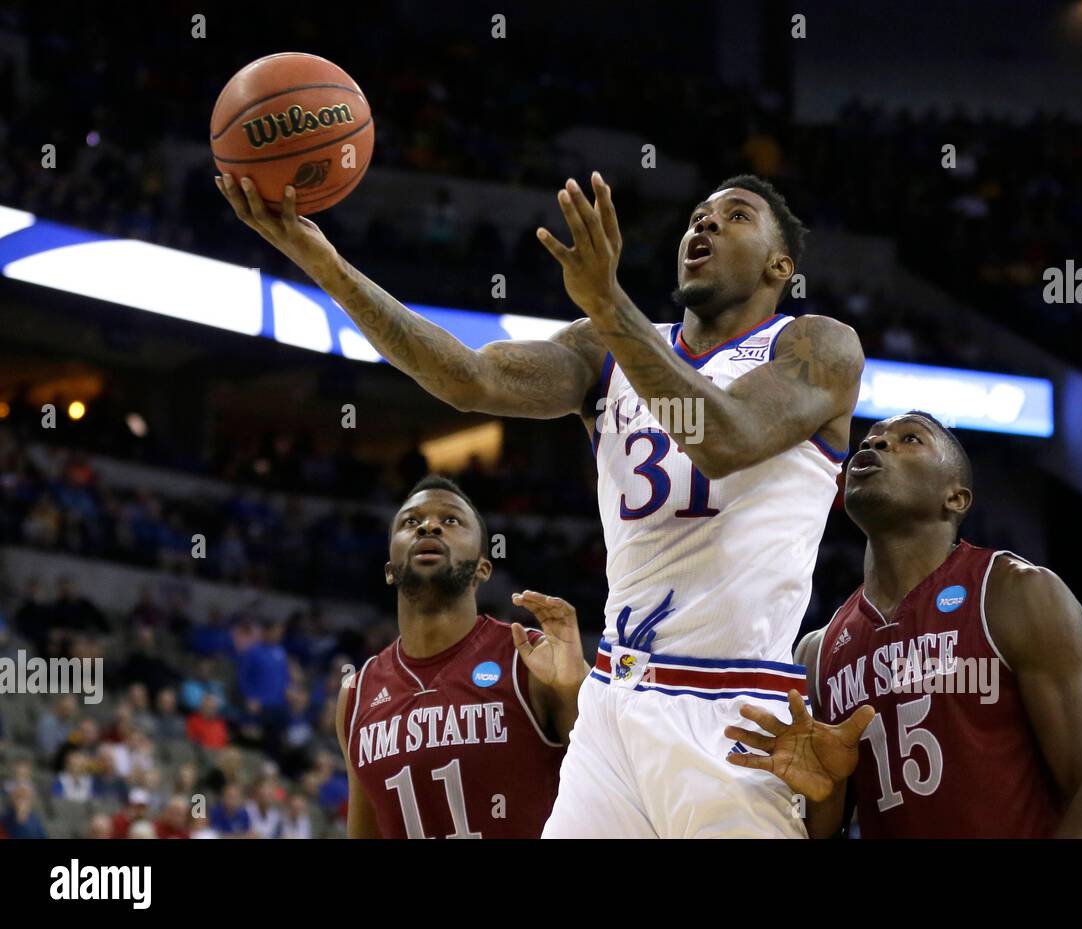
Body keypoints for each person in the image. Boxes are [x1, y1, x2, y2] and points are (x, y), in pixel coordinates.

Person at [219, 169, 863, 838]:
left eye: (734, 217)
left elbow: (730, 437)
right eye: (698, 214)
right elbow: (468, 378)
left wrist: (612, 309)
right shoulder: (603, 351)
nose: (704, 224)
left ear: (779, 265)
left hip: (732, 705)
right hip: (614, 699)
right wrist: (324, 262)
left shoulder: (816, 345)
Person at [727, 411, 1082, 837]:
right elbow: (824, 827)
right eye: (870, 439)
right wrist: (823, 794)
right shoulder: (818, 650)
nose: (876, 444)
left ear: (955, 498)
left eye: (910, 439)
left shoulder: (1016, 593)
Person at [335, 476, 585, 838]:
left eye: (451, 520)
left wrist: (576, 689)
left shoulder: (532, 658)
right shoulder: (356, 695)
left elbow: (616, 779)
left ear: (483, 567)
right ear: (390, 570)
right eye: (410, 522)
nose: (428, 525)